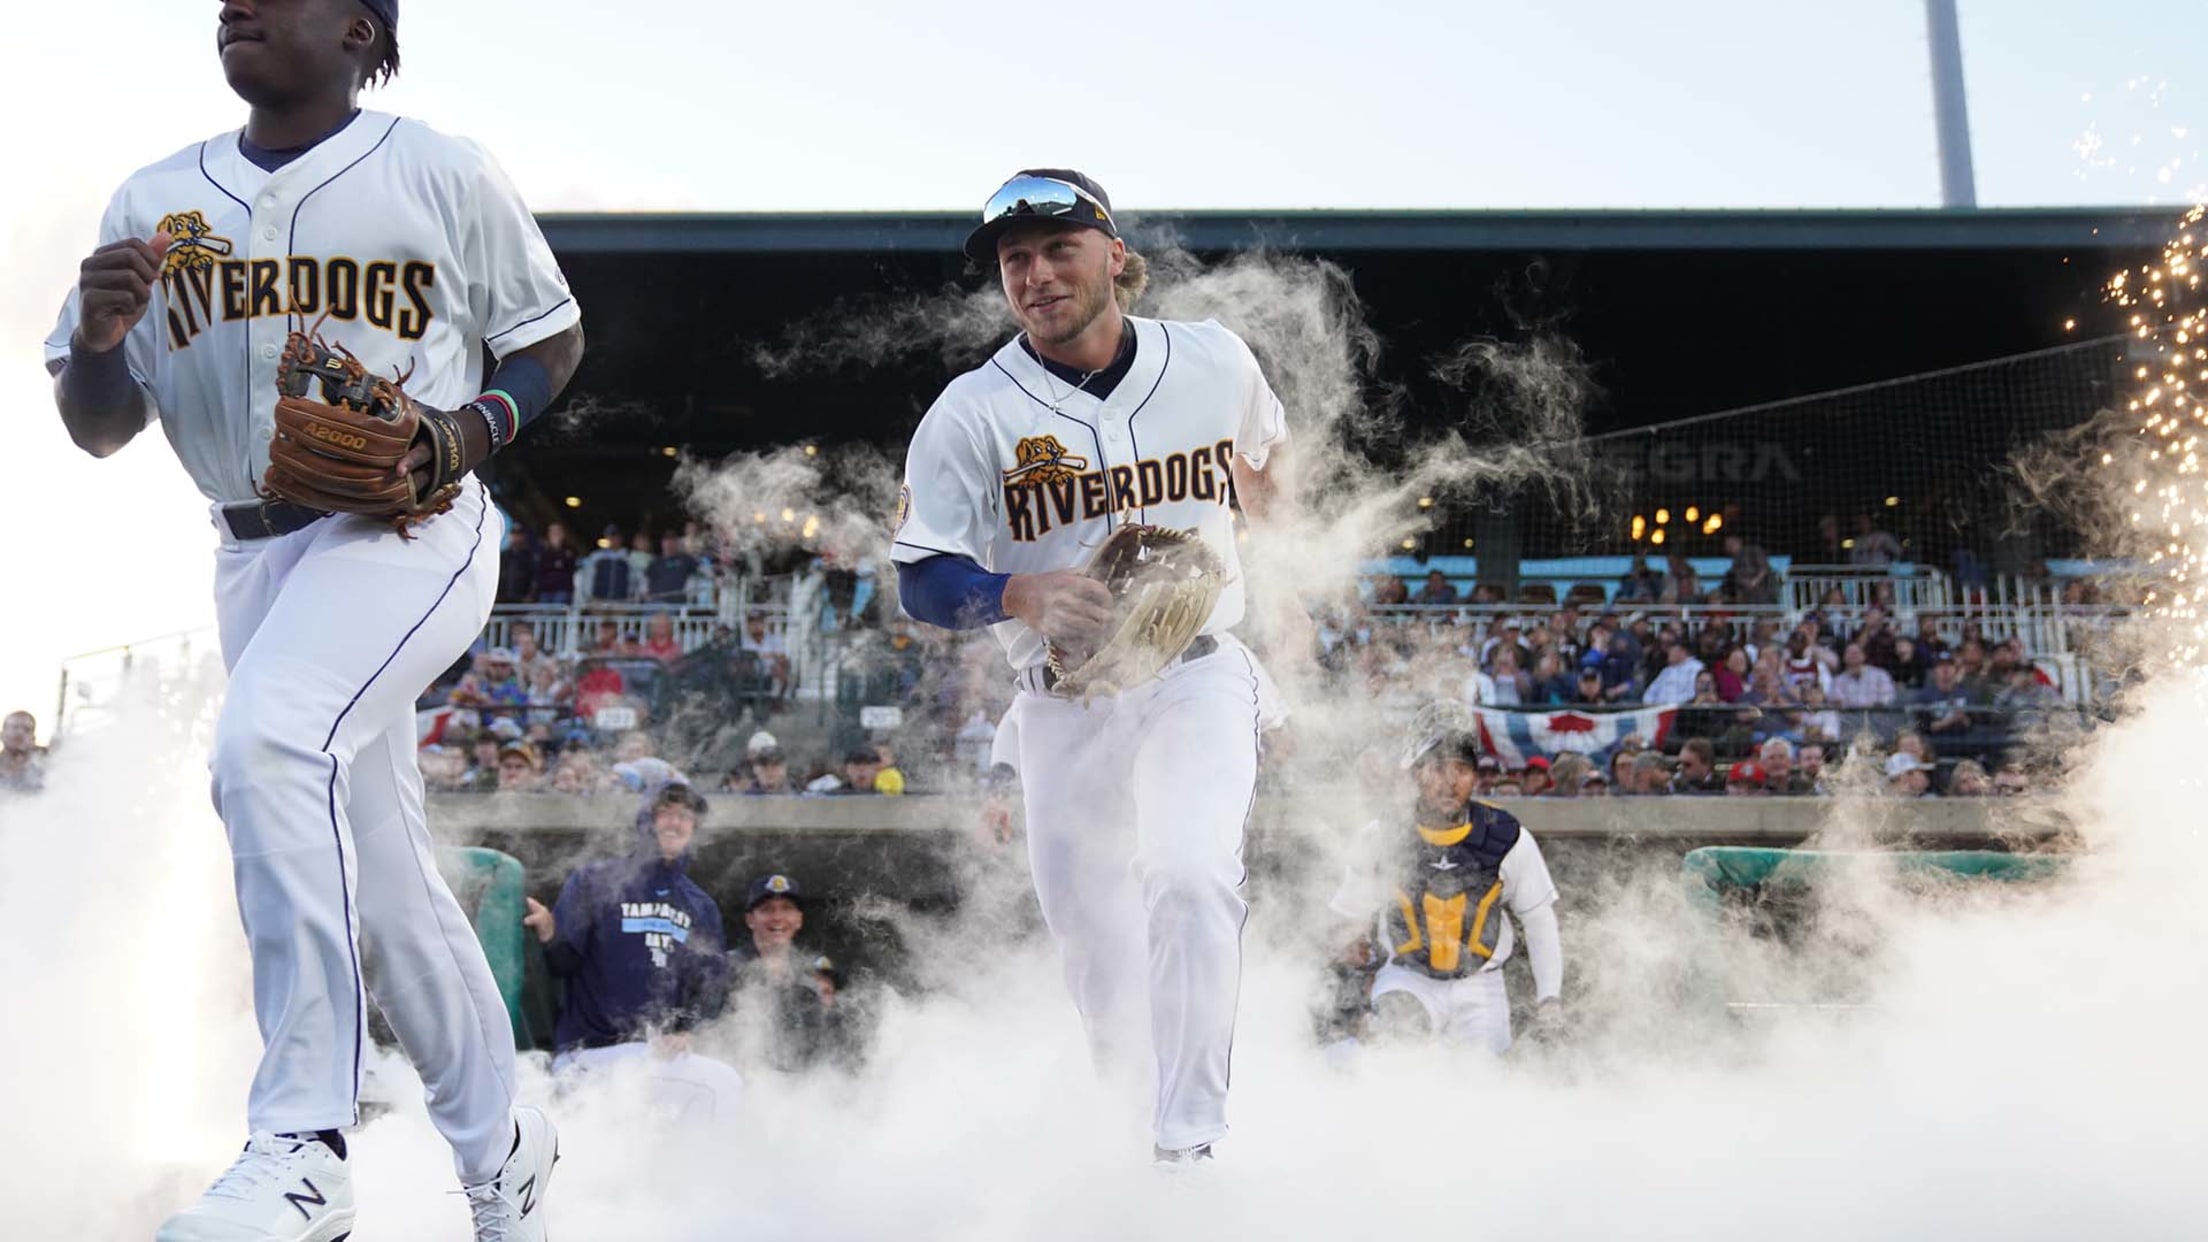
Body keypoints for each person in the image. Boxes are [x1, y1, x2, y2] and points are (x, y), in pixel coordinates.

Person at [44, 2, 582, 1234]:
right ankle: (504, 1141)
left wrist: (464, 430)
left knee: (266, 743)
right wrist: (97, 339)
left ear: (355, 27)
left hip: (407, 528)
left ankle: (301, 1140)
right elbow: (99, 426)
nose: (235, 4)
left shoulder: (434, 165)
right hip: (248, 555)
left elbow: (550, 335)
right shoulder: (153, 192)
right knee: (386, 884)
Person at [889, 169, 1290, 1168]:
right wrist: (1017, 595)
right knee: (1100, 965)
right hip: (1063, 705)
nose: (1035, 273)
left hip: (1197, 670)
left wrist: (1274, 543)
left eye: (1057, 247)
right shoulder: (971, 412)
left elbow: (1269, 462)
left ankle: (1190, 1147)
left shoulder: (1212, 361)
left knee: (1191, 875)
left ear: (1115, 255)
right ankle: (1132, 1148)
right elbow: (922, 581)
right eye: (1014, 259)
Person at [1328, 723, 1563, 1051]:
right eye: (1438, 768)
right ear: (1417, 773)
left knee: (1482, 1087)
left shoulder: (1507, 837)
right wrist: (1352, 997)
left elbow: (1539, 919)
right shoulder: (1380, 835)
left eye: (1462, 769)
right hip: (1406, 978)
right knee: (1395, 1050)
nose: (1450, 782)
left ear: (1475, 776)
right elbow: (1345, 922)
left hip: (1481, 985)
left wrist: (1549, 999)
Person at [523, 783, 742, 1120]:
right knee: (722, 1085)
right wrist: (551, 935)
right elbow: (562, 962)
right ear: (645, 821)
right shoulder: (595, 880)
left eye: (685, 816)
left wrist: (685, 1029)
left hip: (656, 1057)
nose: (675, 823)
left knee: (719, 1083)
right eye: (665, 813)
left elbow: (710, 988)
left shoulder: (700, 905)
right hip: (590, 1053)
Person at [728, 874, 850, 1073]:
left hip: (789, 1092)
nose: (777, 917)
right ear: (750, 920)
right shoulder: (726, 968)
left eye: (787, 908)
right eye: (767, 909)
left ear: (799, 919)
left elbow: (813, 1052)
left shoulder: (808, 983)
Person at [0, 711, 47, 793]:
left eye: (27, 730)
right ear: (2, 735)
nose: (20, 733)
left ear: (33, 739)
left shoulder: (44, 775)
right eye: (14, 727)